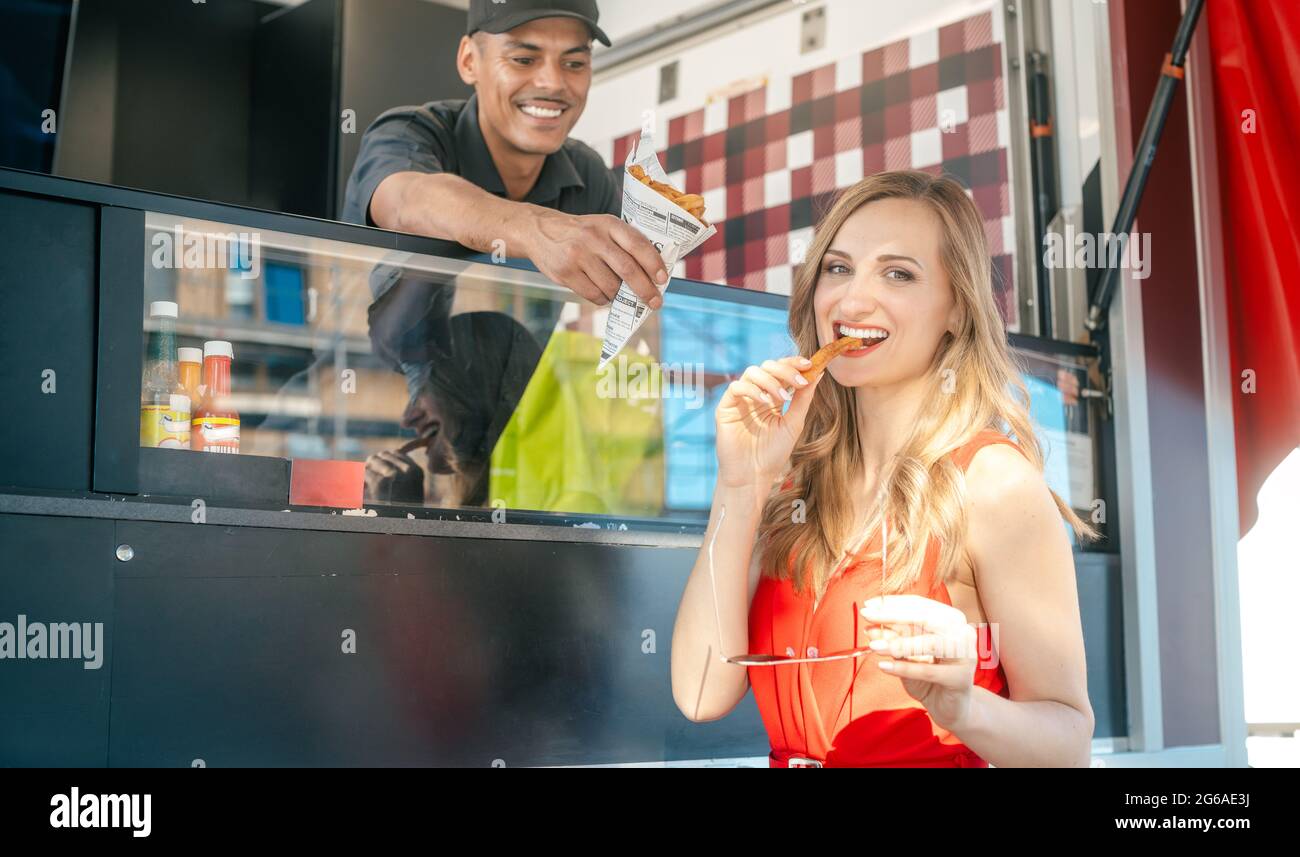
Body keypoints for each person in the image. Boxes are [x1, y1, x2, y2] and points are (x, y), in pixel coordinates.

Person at [669, 171, 1100, 767]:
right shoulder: (792, 483)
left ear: (956, 309)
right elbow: (699, 694)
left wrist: (962, 707)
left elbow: (1069, 743)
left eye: (898, 273)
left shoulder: (994, 484)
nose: (850, 301)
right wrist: (740, 486)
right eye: (838, 268)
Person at [340, 0, 669, 312]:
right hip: (357, 369)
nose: (553, 83)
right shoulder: (407, 133)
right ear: (470, 61)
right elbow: (407, 199)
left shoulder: (588, 175)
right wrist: (536, 230)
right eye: (524, 59)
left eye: (574, 63)